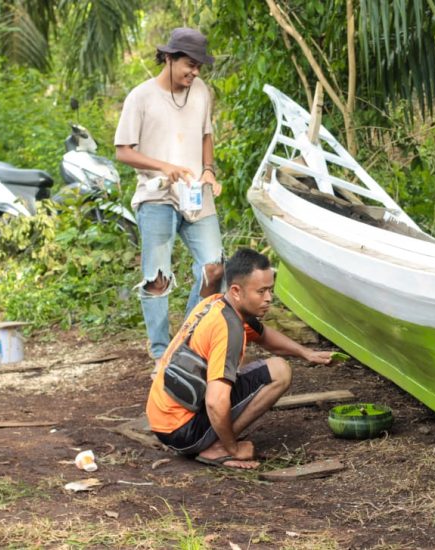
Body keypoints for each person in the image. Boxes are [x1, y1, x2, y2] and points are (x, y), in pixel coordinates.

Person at [146, 248, 334, 469]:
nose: (268, 298)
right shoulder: (229, 328)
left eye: (270, 290)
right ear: (236, 291)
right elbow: (215, 402)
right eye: (261, 292)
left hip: (162, 419)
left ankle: (216, 441)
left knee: (252, 364)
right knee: (280, 371)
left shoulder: (215, 303)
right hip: (183, 432)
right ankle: (219, 448)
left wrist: (306, 353)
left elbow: (263, 335)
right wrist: (233, 448)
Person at [114, 27, 225, 364]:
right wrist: (164, 167)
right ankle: (161, 354)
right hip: (157, 196)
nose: (195, 72)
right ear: (169, 58)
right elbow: (123, 151)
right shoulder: (141, 97)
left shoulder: (201, 91)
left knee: (214, 268)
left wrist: (208, 169)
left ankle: (184, 344)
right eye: (190, 64)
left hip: (196, 194)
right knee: (157, 279)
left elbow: (206, 134)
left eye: (199, 67)